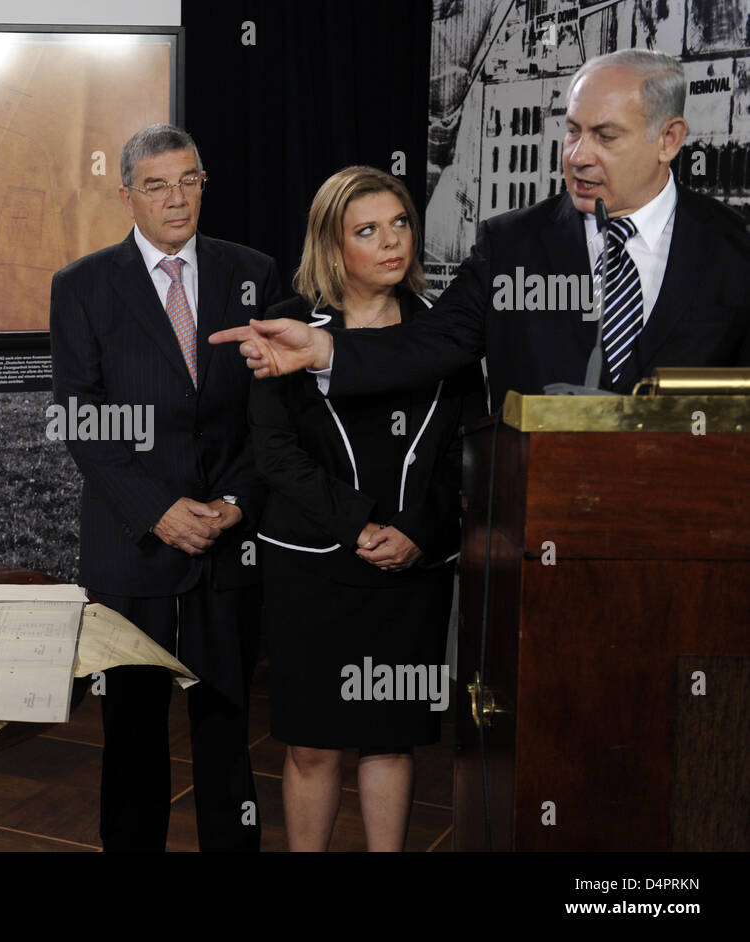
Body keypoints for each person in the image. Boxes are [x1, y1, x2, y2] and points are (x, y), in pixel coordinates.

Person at [210, 49, 750, 407]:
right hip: (536, 534)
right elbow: (433, 343)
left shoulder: (732, 248)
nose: (578, 156)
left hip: (692, 539)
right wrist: (327, 349)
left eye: (605, 136)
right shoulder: (512, 244)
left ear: (669, 139)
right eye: (572, 132)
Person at [50, 123, 281, 851]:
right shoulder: (82, 286)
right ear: (127, 195)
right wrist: (157, 511)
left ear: (203, 183)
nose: (176, 199)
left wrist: (232, 507)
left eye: (189, 180)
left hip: (226, 543)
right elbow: (81, 417)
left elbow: (269, 415)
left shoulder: (254, 274)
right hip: (132, 547)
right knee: (131, 736)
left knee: (225, 732)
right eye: (156, 185)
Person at [251, 166, 485, 851]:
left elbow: (462, 455)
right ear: (332, 247)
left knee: (390, 742)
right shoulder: (287, 327)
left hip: (411, 572)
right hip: (314, 570)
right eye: (368, 230)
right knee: (314, 749)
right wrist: (358, 522)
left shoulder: (445, 334)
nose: (393, 242)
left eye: (401, 223)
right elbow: (275, 454)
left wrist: (417, 531)